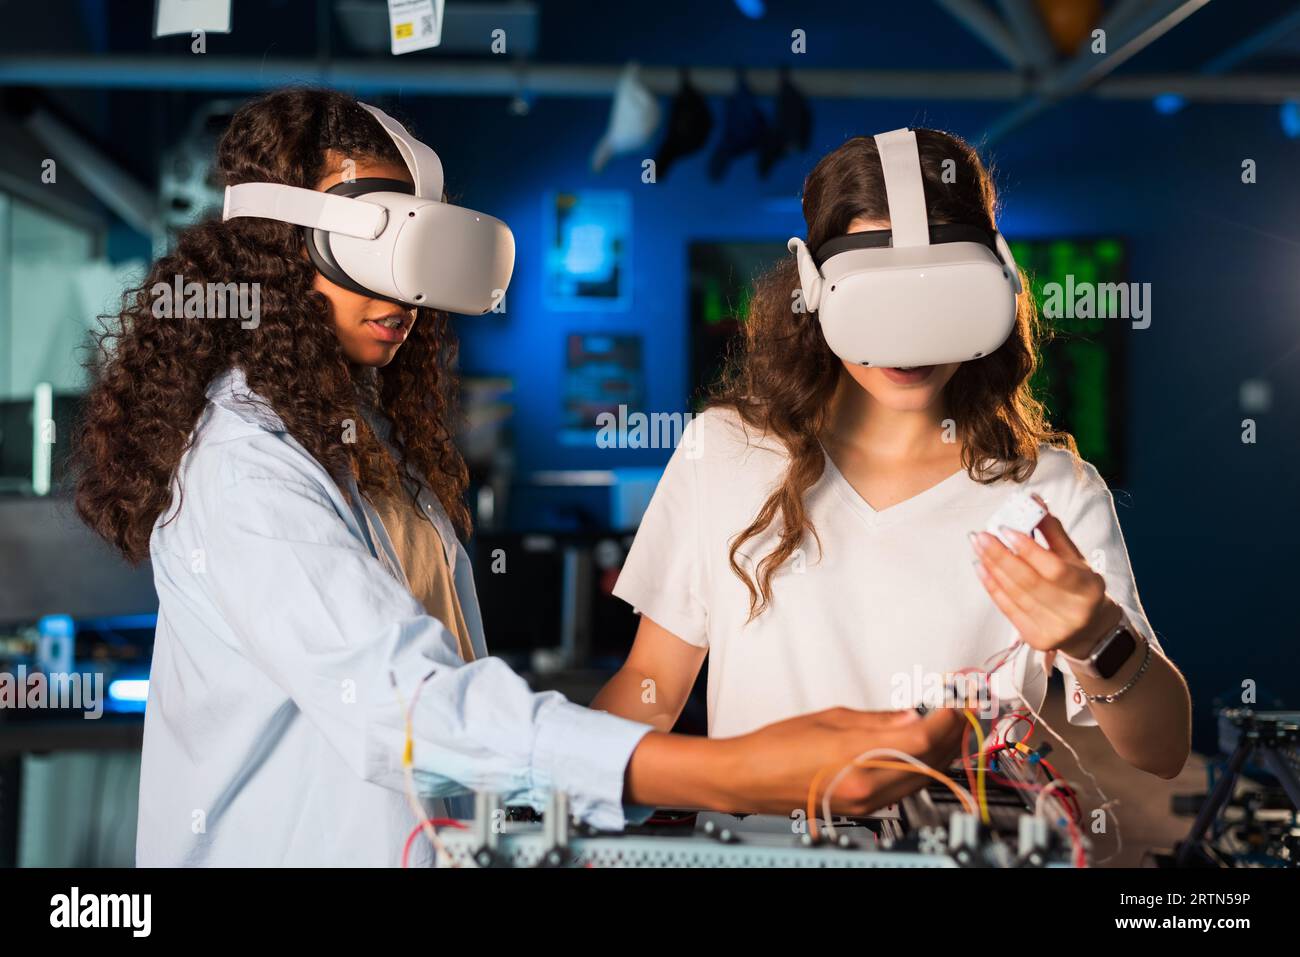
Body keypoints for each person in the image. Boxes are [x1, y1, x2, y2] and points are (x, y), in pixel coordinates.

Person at [72, 89, 962, 866]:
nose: (402, 303)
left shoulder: (367, 444)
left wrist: (552, 810)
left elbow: (457, 718)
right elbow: (408, 706)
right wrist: (738, 768)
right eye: (369, 253)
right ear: (272, 248)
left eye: (414, 264)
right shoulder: (243, 465)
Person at [594, 129, 1191, 780]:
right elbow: (650, 682)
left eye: (939, 296)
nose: (909, 341)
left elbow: (1160, 750)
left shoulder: (1054, 493)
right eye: (878, 298)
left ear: (995, 280)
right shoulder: (725, 451)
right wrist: (561, 792)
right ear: (814, 284)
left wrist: (1098, 636)